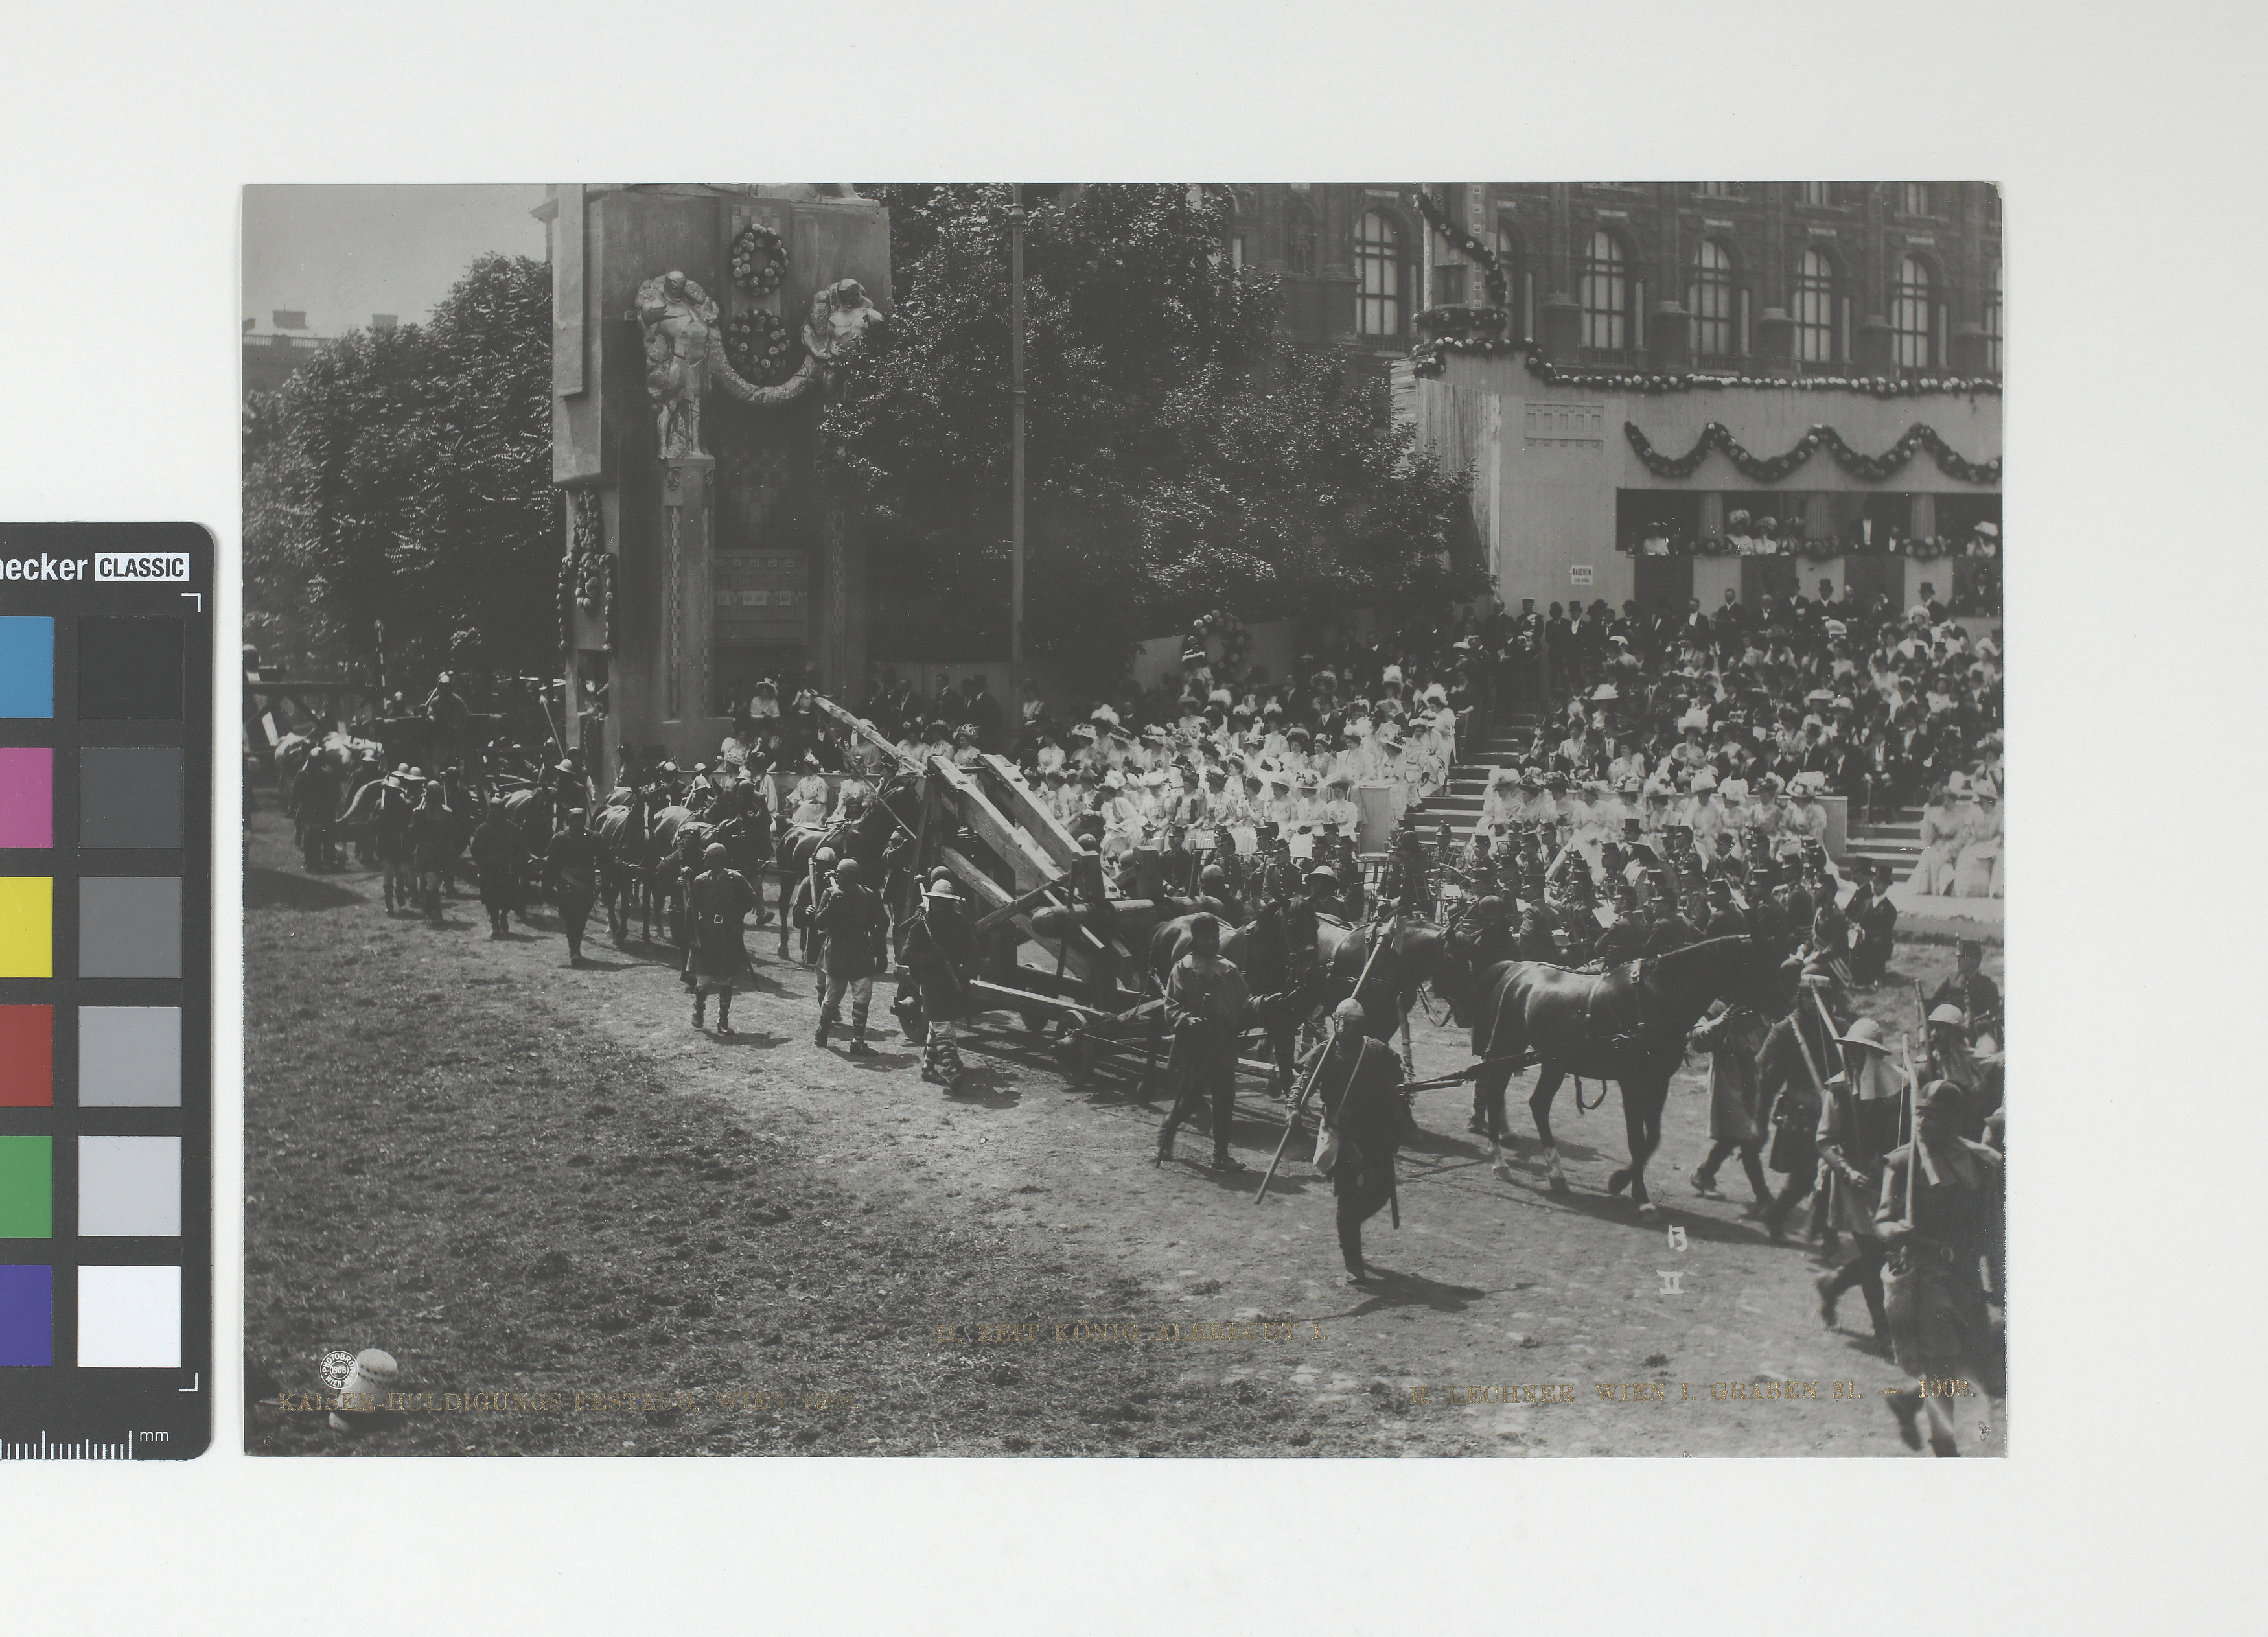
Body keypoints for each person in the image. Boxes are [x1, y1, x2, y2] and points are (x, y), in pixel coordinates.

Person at [1876, 1080, 2006, 1456]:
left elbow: (1993, 1228)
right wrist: (1894, 1230)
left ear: (1953, 1123)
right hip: (1924, 1274)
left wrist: (1999, 1283)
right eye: (1920, 1114)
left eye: (1933, 1117)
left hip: (1965, 1274)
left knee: (1970, 1354)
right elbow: (1882, 1221)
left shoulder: (1980, 1164)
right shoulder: (1902, 1164)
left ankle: (1907, 1400)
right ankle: (1945, 1447)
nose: (1922, 1123)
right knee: (1942, 1360)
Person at [1812, 1016, 1911, 1349]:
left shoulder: (1899, 1087)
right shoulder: (1838, 1090)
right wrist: (1846, 1170)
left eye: (1860, 1051)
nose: (1853, 1057)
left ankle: (1833, 1285)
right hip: (1854, 1181)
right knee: (1873, 1252)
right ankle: (1882, 1329)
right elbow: (1823, 1141)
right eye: (1850, 1050)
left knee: (1883, 1253)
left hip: (1889, 1179)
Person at [1306, 999, 1415, 1284]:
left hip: (1376, 1134)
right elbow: (1304, 1081)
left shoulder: (1377, 1051)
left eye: (1353, 1025)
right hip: (1344, 1136)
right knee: (1348, 1200)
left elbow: (1397, 1086)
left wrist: (1400, 1112)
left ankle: (1349, 1226)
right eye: (1342, 1024)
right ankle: (1352, 1261)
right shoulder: (1325, 1052)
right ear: (1335, 1023)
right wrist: (1294, 1106)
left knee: (1382, 1191)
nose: (1346, 1029)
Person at [1155, 913, 1253, 1173]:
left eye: (1214, 937)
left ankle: (1220, 1155)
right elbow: (1171, 1006)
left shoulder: (1229, 969)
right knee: (1189, 1100)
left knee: (1225, 1100)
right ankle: (1167, 1134)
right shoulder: (1183, 969)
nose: (1211, 942)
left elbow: (1245, 1001)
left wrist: (1263, 1006)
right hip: (1196, 1046)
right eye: (1206, 938)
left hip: (1223, 1045)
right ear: (1195, 940)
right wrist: (1186, 1020)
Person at [1688, 1001, 1774, 1213]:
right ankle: (1763, 1196)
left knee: (1735, 1135)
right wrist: (1721, 1022)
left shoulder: (1758, 1002)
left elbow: (1768, 1038)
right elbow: (1698, 1040)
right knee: (1747, 1137)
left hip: (1753, 1077)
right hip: (1729, 1076)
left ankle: (1704, 1174)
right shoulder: (1717, 1005)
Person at [899, 878, 978, 1087]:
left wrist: (967, 969)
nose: (937, 905)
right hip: (932, 982)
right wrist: (929, 958)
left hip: (954, 981)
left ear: (950, 903)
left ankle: (927, 1068)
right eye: (935, 901)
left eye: (942, 901)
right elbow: (906, 955)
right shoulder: (922, 925)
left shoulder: (960, 923)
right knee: (943, 1025)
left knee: (939, 1024)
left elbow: (973, 950)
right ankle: (952, 1068)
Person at [813, 855, 890, 1053]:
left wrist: (881, 954)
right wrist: (831, 905)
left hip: (861, 949)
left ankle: (858, 1041)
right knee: (832, 996)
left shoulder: (868, 895)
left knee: (863, 993)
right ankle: (822, 1032)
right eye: (836, 874)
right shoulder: (830, 893)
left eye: (841, 874)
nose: (837, 877)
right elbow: (819, 922)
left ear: (852, 876)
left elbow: (881, 922)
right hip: (837, 949)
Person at [682, 842, 760, 1032]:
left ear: (719, 860)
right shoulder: (700, 881)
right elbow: (690, 911)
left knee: (727, 979)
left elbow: (751, 899)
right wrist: (692, 938)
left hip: (728, 934)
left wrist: (736, 918)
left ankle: (722, 1021)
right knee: (704, 979)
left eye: (709, 858)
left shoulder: (736, 879)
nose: (705, 861)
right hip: (706, 934)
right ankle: (698, 1013)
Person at [545, 807, 603, 967]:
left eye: (581, 819)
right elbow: (551, 864)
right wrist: (547, 888)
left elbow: (606, 859)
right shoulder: (560, 839)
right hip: (567, 886)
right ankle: (574, 951)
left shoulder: (594, 838)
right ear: (569, 821)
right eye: (574, 820)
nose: (578, 823)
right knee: (571, 919)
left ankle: (576, 950)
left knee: (581, 919)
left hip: (586, 886)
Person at [1929, 940, 2004, 1051]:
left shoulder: (1988, 985)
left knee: (1989, 1050)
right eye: (1958, 957)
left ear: (1976, 960)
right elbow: (1933, 1003)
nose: (1958, 961)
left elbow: (1995, 1014)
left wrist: (1979, 1023)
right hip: (1952, 1031)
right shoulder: (1952, 980)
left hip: (1980, 1033)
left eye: (1963, 957)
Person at [467, 798, 523, 938]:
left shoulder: (512, 828)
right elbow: (475, 849)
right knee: (491, 898)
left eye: (498, 809)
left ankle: (503, 916)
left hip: (507, 869)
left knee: (509, 897)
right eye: (492, 809)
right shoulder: (482, 829)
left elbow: (520, 847)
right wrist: (483, 862)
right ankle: (495, 924)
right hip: (490, 870)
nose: (495, 812)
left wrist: (515, 863)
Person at [1914, 785, 1961, 897]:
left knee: (1941, 857)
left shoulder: (1960, 818)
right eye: (1945, 800)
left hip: (1951, 846)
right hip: (1938, 844)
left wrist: (1951, 846)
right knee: (1928, 853)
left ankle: (1939, 888)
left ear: (1954, 802)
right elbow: (1929, 836)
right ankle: (1928, 887)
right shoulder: (1938, 815)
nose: (1946, 803)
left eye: (1949, 801)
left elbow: (1960, 838)